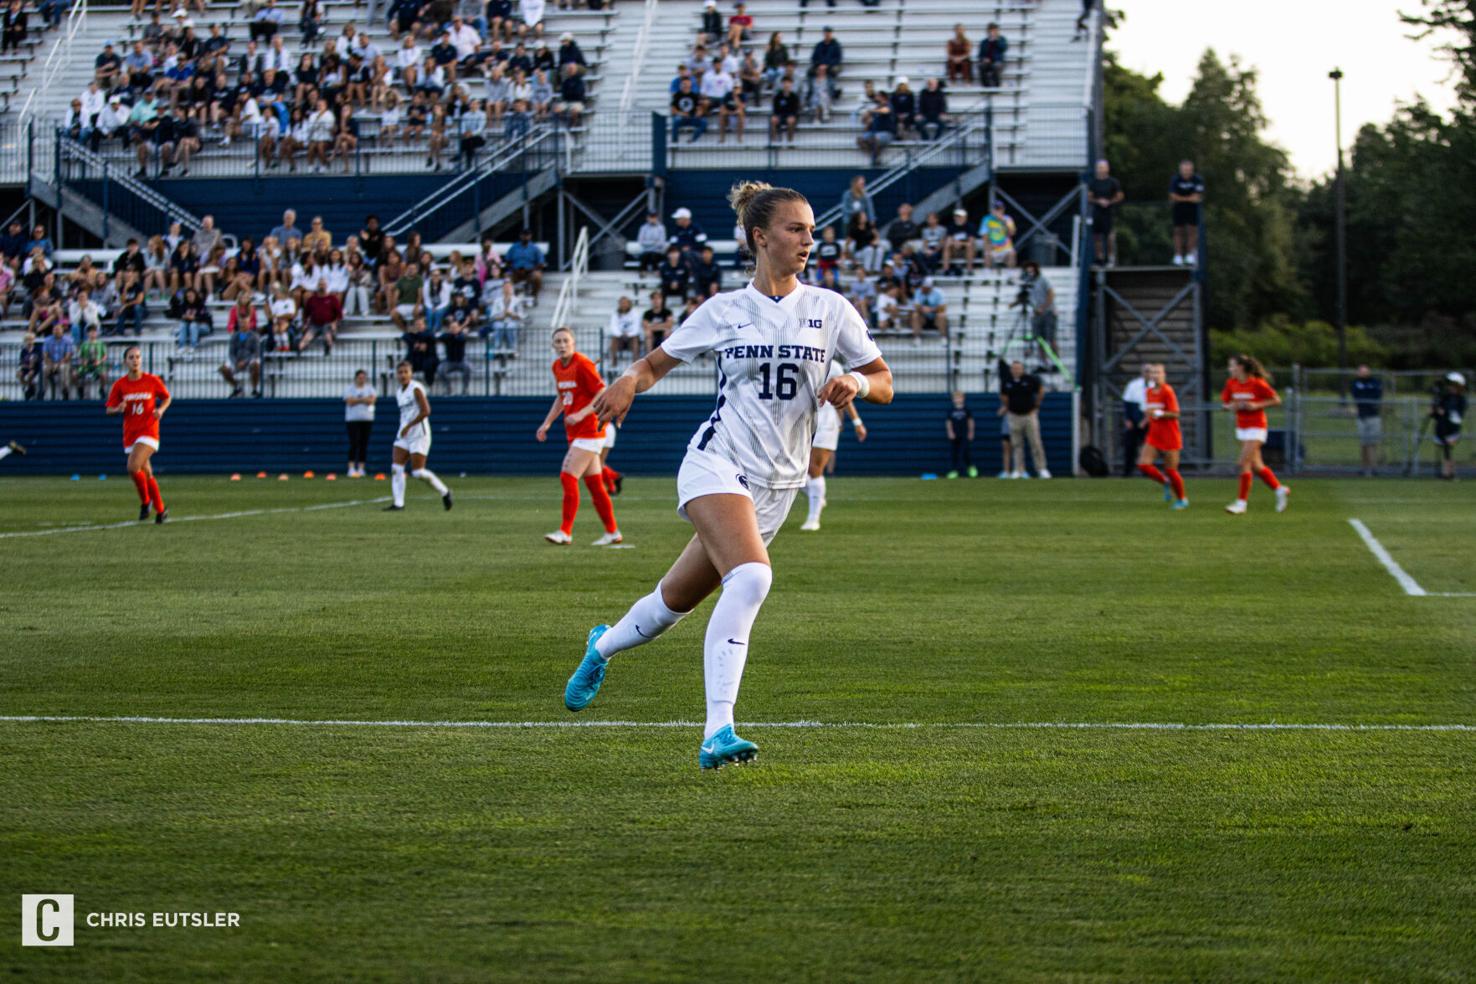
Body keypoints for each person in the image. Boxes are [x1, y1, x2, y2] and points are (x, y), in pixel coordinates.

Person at [562, 180, 892, 771]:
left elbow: (884, 380)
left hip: (778, 485)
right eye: (796, 229)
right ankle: (718, 730)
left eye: (812, 231)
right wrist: (626, 382)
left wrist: (858, 383)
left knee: (671, 605)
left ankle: (603, 645)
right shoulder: (724, 310)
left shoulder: (830, 309)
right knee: (752, 580)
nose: (808, 241)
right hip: (717, 462)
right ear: (760, 236)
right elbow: (653, 364)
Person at [535, 327, 622, 546]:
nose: (562, 344)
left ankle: (565, 531)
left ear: (573, 343)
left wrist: (582, 413)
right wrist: (547, 422)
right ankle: (612, 532)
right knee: (594, 484)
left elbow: (602, 390)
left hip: (590, 429)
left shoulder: (582, 363)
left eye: (566, 340)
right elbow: (561, 398)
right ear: (553, 345)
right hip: (575, 432)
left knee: (568, 476)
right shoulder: (557, 367)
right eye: (558, 341)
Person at [105, 345, 171, 523]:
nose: (135, 360)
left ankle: (145, 502)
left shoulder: (151, 380)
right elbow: (108, 409)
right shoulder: (120, 385)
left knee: (132, 467)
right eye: (131, 357)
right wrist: (118, 409)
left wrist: (161, 410)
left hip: (149, 430)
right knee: (146, 472)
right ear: (125, 361)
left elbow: (166, 397)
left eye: (138, 357)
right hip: (131, 433)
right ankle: (161, 510)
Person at [801, 361, 868, 531]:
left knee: (814, 468)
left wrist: (857, 422)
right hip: (800, 420)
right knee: (793, 469)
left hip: (826, 421)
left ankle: (813, 518)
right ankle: (816, 496)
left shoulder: (834, 367)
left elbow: (844, 397)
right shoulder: (799, 356)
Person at [1221, 354, 1289, 514]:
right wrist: (1232, 406)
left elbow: (1276, 400)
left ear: (1241, 367)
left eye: (1231, 366)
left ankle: (1241, 504)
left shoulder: (1257, 383)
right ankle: (1279, 490)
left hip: (1257, 427)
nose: (1229, 369)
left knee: (1243, 462)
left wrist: (1255, 405)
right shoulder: (1231, 383)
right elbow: (1225, 403)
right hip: (1242, 428)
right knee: (1257, 466)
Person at [385, 360, 453, 512]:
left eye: (405, 372)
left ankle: (445, 492)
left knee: (418, 472)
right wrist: (404, 428)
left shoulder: (415, 388)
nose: (403, 375)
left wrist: (409, 426)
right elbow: (405, 414)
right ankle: (398, 503)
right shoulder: (399, 392)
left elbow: (426, 411)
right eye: (400, 372)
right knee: (396, 467)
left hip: (419, 434)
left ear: (411, 373)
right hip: (403, 434)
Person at [1136, 364, 1189, 509]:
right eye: (1153, 372)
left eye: (1158, 372)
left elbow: (1176, 413)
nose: (1155, 375)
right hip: (1154, 434)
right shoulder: (1149, 392)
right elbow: (1150, 410)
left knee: (1171, 469)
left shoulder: (1167, 391)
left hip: (1170, 435)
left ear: (1164, 374)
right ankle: (1165, 481)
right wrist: (1146, 418)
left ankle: (1182, 499)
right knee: (1143, 464)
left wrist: (1160, 413)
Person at [998, 358, 1050, 479]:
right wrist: (1008, 407)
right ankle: (1018, 469)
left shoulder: (1029, 379)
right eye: (1014, 368)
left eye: (1018, 368)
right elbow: (1003, 396)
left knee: (1035, 442)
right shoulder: (1007, 381)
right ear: (1011, 370)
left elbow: (1041, 390)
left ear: (1022, 369)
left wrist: (1036, 405)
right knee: (1016, 444)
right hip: (1014, 416)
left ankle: (1041, 468)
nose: (1016, 370)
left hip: (1029, 415)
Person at [1431, 371, 1467, 481]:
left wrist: (1445, 412)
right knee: (1445, 450)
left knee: (1448, 449)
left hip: (1452, 428)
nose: (1450, 387)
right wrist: (1435, 411)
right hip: (1442, 427)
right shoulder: (1444, 397)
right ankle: (1447, 473)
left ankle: (1449, 473)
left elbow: (1457, 415)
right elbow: (1436, 413)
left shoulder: (1460, 399)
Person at [1088, 159, 1124, 266]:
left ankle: (1110, 257)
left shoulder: (1113, 182)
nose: (1100, 170)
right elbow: (1089, 198)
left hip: (1109, 211)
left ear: (1107, 169)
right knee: (1097, 236)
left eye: (1102, 167)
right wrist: (1098, 201)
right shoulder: (1093, 183)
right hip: (1097, 211)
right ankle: (1099, 257)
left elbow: (1120, 196)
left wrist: (1109, 202)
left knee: (1109, 235)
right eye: (1099, 168)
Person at [1169, 159, 1205, 266]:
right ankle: (1178, 256)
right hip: (1178, 209)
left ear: (1192, 170)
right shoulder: (1175, 179)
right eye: (1184, 169)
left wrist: (1181, 198)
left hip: (1193, 210)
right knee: (1178, 231)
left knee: (1192, 231)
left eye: (1188, 169)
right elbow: (1172, 196)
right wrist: (1188, 199)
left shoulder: (1197, 179)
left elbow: (1197, 197)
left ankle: (1189, 255)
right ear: (1181, 169)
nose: (1186, 171)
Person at [1350, 363, 1383, 477]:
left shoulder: (1375, 382)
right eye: (1361, 371)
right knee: (1364, 443)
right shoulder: (1356, 383)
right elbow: (1357, 395)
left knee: (1373, 443)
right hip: (1362, 416)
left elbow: (1376, 395)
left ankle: (1374, 468)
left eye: (1365, 371)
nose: (1363, 373)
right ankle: (1364, 468)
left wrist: (1366, 394)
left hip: (1373, 416)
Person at [1120, 362, 1151, 477]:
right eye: (1146, 371)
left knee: (1147, 448)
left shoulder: (1155, 385)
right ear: (1142, 372)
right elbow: (1127, 402)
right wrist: (1128, 419)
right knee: (1130, 446)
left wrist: (1146, 419)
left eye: (1149, 371)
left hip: (1148, 419)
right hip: (1134, 417)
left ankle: (1147, 472)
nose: (1148, 373)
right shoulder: (1133, 385)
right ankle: (1128, 472)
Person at [220, 315, 263, 398]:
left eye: (245, 323)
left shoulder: (254, 336)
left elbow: (256, 352)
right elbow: (231, 352)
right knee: (223, 369)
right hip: (237, 359)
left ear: (249, 324)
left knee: (256, 365)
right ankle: (237, 387)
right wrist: (235, 362)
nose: (243, 325)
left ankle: (254, 389)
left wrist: (245, 361)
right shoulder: (234, 336)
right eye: (241, 323)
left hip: (250, 358)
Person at [344, 368, 376, 478]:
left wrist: (357, 400)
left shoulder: (370, 388)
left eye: (363, 377)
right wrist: (363, 400)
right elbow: (349, 401)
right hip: (352, 419)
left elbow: (372, 400)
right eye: (360, 377)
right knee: (354, 443)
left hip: (367, 419)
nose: (362, 379)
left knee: (364, 444)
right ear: (356, 378)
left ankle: (361, 468)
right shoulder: (349, 389)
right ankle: (351, 467)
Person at [945, 390, 975, 479]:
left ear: (963, 399)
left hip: (964, 435)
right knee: (954, 453)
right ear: (953, 400)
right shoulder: (951, 411)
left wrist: (971, 432)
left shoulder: (966, 410)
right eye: (956, 398)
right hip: (955, 436)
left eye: (959, 398)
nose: (958, 400)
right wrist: (950, 432)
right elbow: (948, 422)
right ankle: (954, 470)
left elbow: (970, 422)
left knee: (964, 452)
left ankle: (970, 467)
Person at [606, 295, 640, 365]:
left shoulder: (635, 313)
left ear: (629, 304)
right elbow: (613, 327)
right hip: (620, 338)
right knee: (614, 339)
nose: (623, 305)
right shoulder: (615, 314)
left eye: (625, 303)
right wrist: (621, 334)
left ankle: (635, 363)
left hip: (631, 337)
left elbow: (636, 327)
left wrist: (629, 334)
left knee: (635, 339)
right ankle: (614, 362)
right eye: (622, 303)